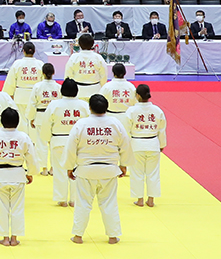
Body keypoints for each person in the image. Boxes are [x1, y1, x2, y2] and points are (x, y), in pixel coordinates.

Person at [65, 94, 133, 244]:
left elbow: (71, 147)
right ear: (106, 108)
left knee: (83, 203)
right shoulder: (115, 123)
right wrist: (123, 164)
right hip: (109, 169)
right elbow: (125, 144)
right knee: (109, 203)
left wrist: (69, 167)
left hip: (86, 170)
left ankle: (78, 236)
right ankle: (113, 236)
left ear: (89, 108)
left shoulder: (81, 124)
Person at [0, 107, 38, 246]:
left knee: (2, 207)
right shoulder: (23, 137)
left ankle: (5, 238)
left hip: (0, 175)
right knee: (17, 207)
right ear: (18, 122)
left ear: (1, 121)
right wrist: (30, 172)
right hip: (17, 175)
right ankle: (15, 238)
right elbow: (31, 157)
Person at [45, 80, 88, 207]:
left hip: (59, 140)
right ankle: (74, 199)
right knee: (76, 170)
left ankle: (62, 199)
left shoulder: (54, 105)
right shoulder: (84, 105)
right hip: (78, 142)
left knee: (59, 170)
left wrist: (48, 138)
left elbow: (47, 124)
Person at [124, 84, 166, 207]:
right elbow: (162, 130)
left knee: (137, 173)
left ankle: (140, 199)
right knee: (153, 173)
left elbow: (126, 130)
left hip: (137, 144)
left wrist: (125, 147)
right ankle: (151, 199)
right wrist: (162, 144)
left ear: (137, 95)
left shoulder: (131, 111)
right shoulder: (157, 111)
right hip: (153, 143)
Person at [65, 33, 107, 98]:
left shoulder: (74, 57)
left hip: (78, 91)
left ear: (79, 44)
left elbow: (68, 76)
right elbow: (103, 76)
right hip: (95, 90)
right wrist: (101, 88)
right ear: (93, 44)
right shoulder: (98, 58)